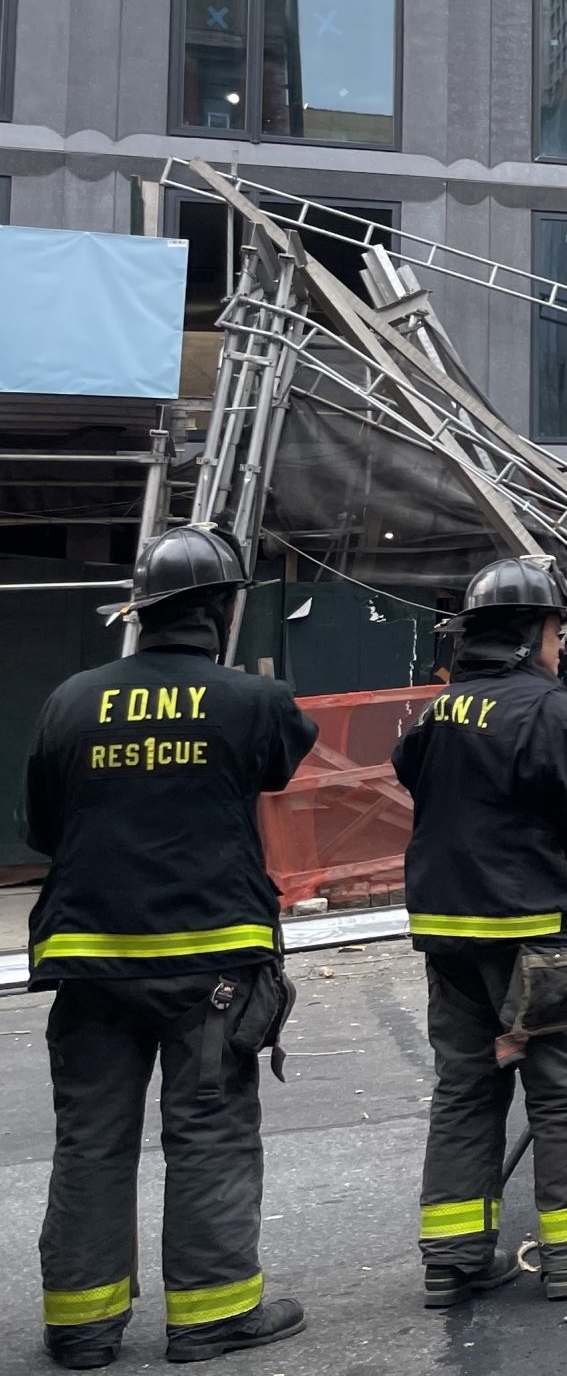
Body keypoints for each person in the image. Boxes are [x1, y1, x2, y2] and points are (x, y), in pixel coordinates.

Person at [24, 527, 317, 1369]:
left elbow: (43, 828)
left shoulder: (70, 700)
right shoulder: (250, 701)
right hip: (210, 960)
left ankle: (81, 1326)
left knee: (91, 1139)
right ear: (224, 610)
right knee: (211, 1132)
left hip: (89, 958)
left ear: (141, 613)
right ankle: (212, 1314)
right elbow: (276, 765)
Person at [394, 557, 567, 1307]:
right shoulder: (550, 709)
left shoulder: (437, 712)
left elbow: (414, 778)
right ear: (533, 632)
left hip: (448, 940)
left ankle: (454, 1260)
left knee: (465, 1091)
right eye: (559, 631)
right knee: (565, 1093)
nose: (561, 647)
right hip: (540, 940)